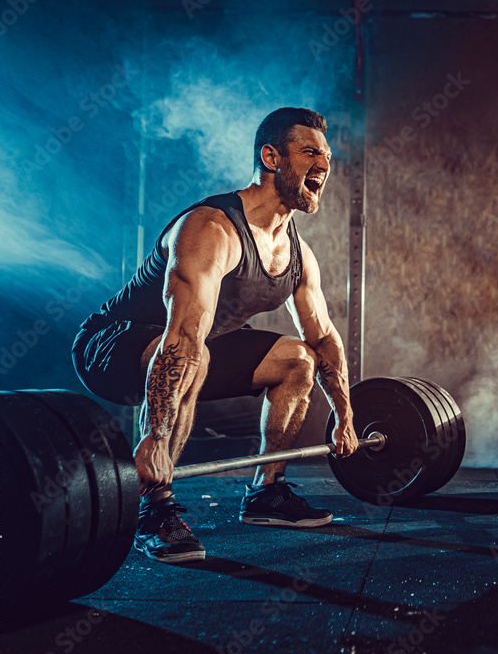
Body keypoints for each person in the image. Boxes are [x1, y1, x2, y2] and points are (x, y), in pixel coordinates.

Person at [72, 107, 359, 563]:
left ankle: (267, 491)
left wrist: (346, 416)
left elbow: (324, 339)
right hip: (111, 345)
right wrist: (155, 438)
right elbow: (184, 337)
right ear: (271, 157)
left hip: (194, 345)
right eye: (310, 152)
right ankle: (154, 508)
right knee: (197, 355)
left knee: (299, 359)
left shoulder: (298, 254)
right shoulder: (211, 228)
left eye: (327, 155)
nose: (324, 164)